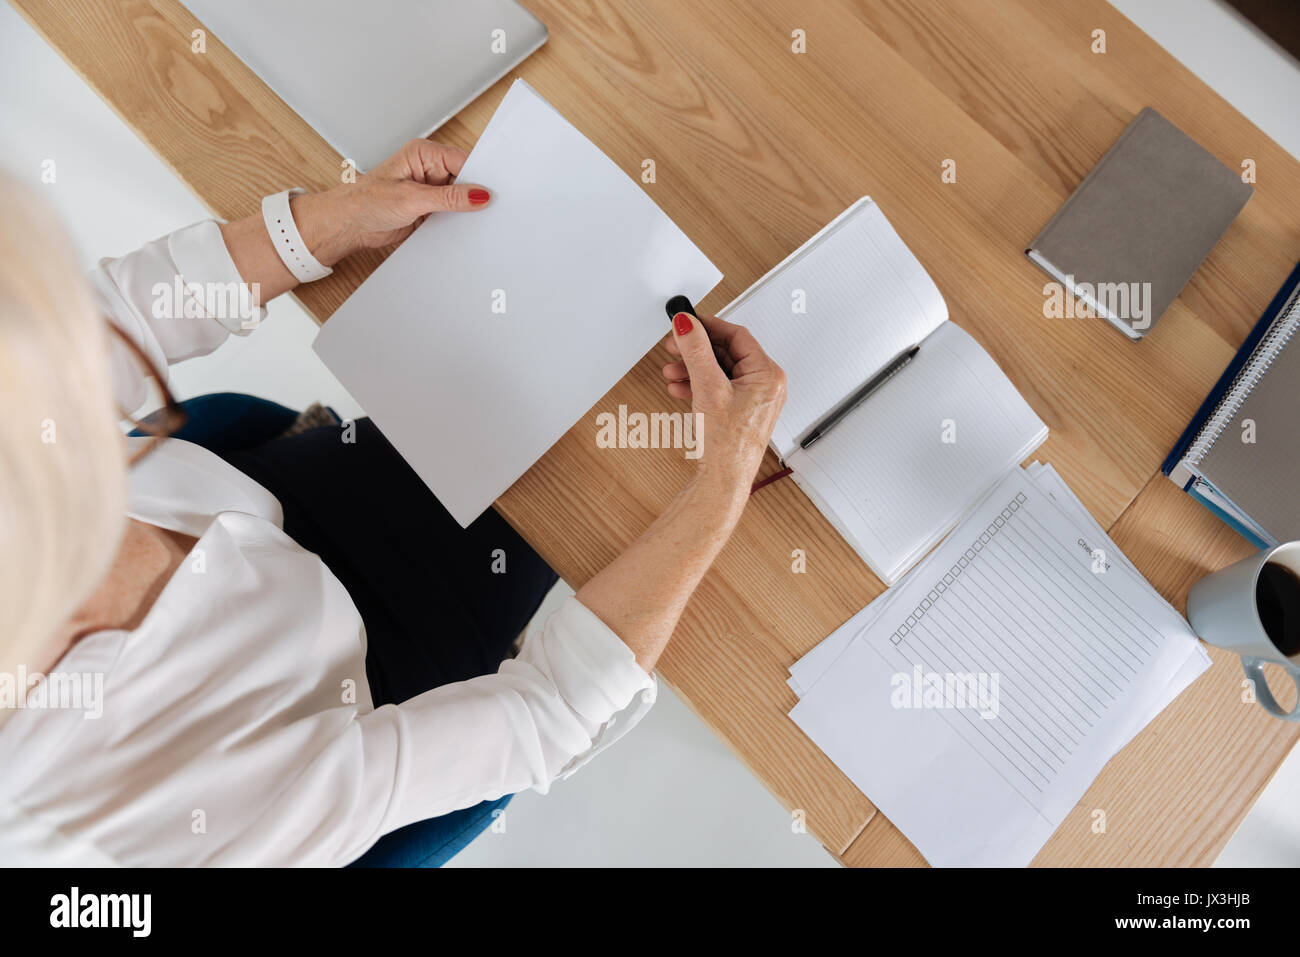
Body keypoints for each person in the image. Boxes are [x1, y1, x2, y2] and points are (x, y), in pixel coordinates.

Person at [0, 139, 786, 866]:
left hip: (273, 515)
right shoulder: (157, 828)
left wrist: (330, 219)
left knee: (528, 364)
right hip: (384, 660)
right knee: (598, 467)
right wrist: (722, 486)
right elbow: (548, 705)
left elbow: (116, 315)